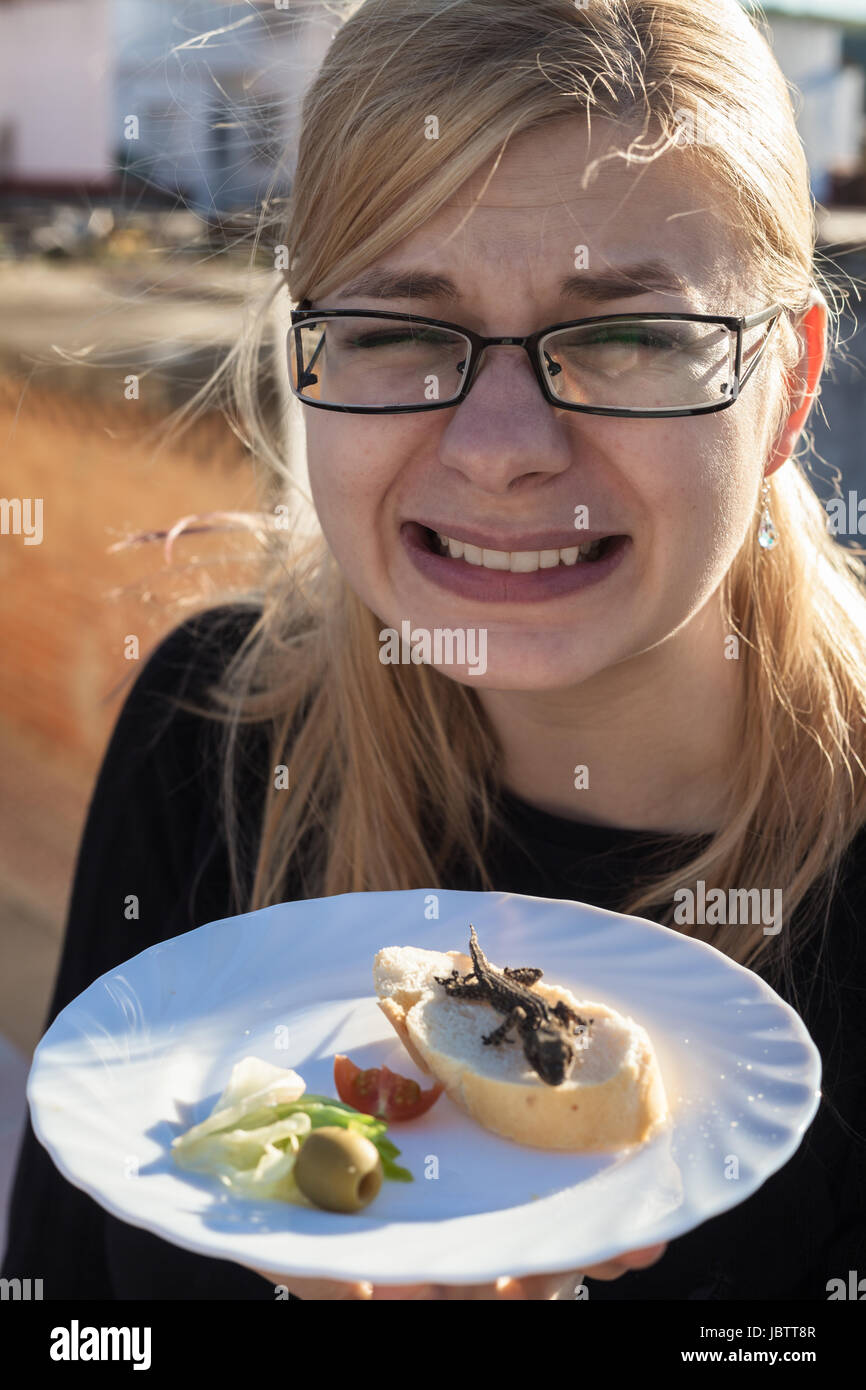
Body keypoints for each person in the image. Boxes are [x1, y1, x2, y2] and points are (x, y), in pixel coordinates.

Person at [4, 0, 865, 1300]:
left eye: (624, 334)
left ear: (787, 386)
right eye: (401, 330)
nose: (498, 445)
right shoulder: (209, 734)